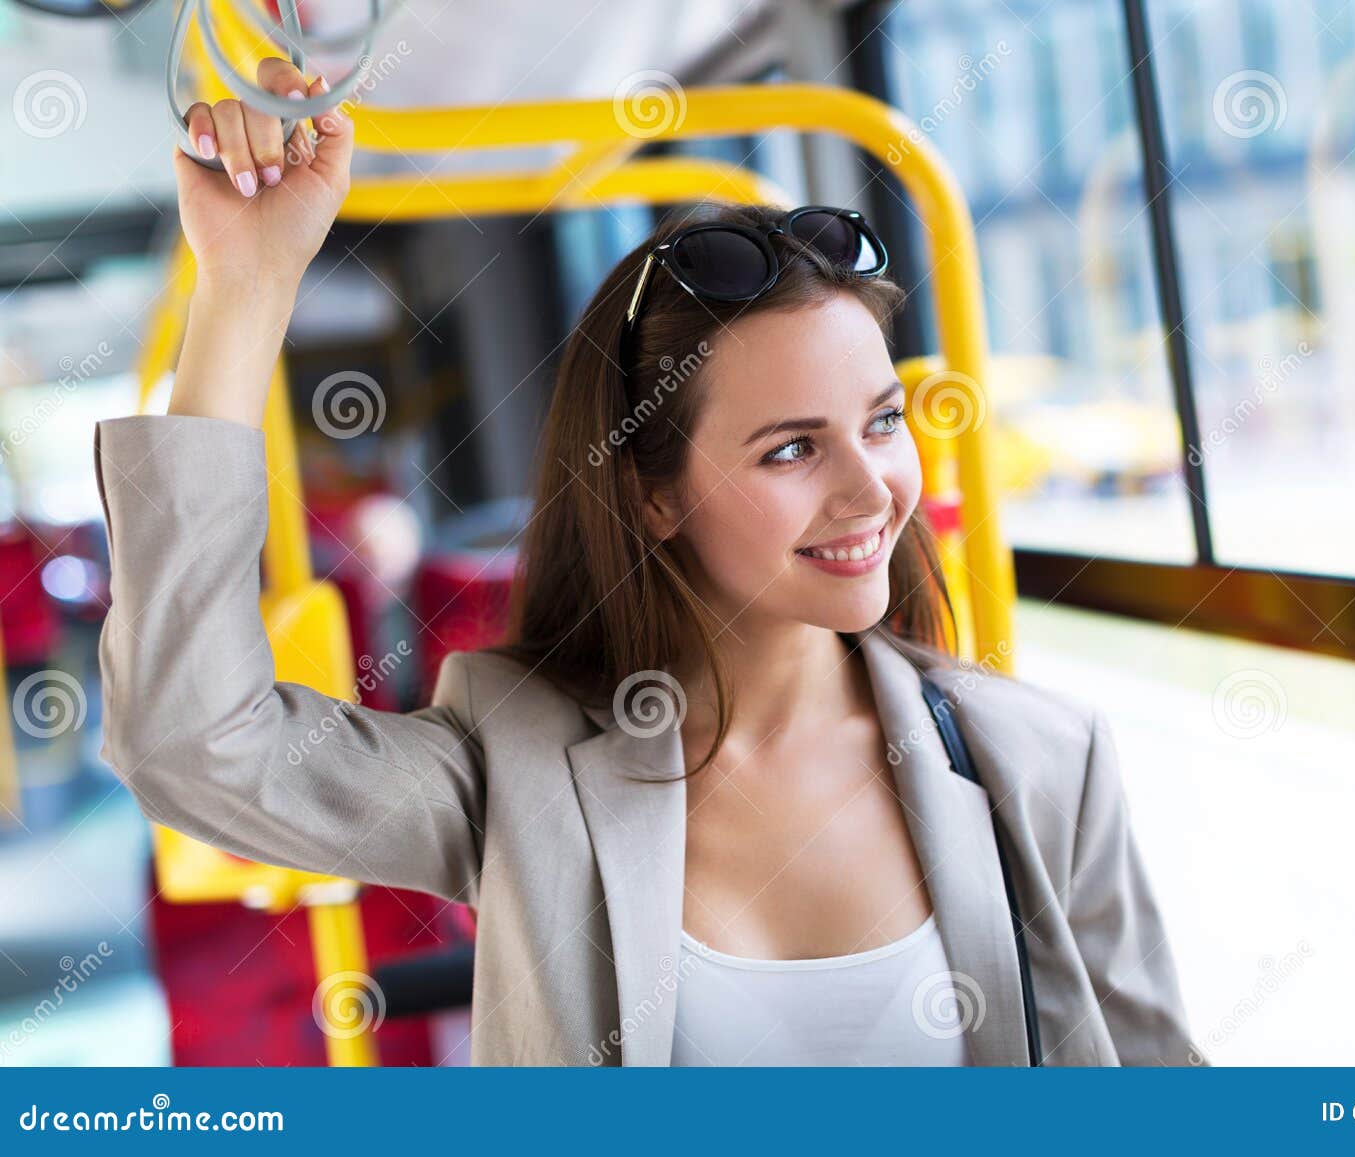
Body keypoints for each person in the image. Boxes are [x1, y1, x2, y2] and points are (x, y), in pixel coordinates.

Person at [93, 56, 1203, 1067]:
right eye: (790, 448)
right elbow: (194, 743)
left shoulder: (1041, 762)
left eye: (880, 422)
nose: (872, 491)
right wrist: (246, 283)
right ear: (651, 494)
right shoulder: (525, 769)